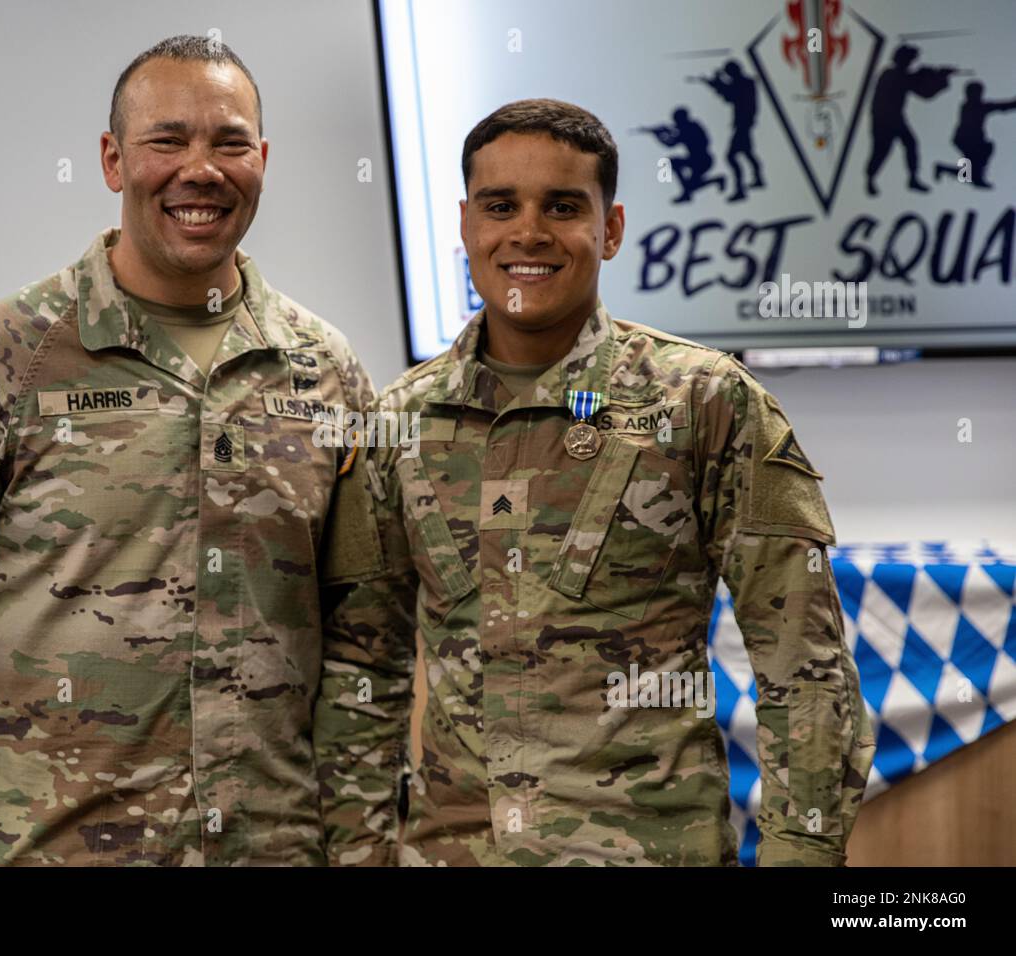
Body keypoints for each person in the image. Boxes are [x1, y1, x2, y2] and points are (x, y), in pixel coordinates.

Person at [0, 35, 373, 866]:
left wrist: (360, 849)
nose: (201, 169)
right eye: (167, 141)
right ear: (113, 161)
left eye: (229, 143)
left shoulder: (325, 375)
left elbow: (368, 642)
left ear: (263, 161)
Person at [315, 98, 874, 867]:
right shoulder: (397, 424)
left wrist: (800, 856)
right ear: (465, 226)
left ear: (609, 230)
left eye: (563, 206)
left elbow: (805, 672)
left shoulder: (706, 403)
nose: (529, 233)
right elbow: (360, 672)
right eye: (501, 206)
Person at [866, 43, 955, 195]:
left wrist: (939, 78)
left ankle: (912, 179)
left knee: (910, 144)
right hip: (884, 118)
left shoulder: (898, 74)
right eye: (910, 60)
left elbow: (923, 91)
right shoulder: (891, 74)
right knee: (882, 150)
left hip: (894, 118)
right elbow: (922, 91)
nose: (912, 63)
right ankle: (870, 179)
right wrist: (939, 78)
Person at [699, 60, 765, 202]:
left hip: (743, 124)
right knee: (747, 153)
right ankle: (758, 179)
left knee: (731, 157)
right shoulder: (746, 82)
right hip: (744, 124)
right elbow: (729, 93)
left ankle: (740, 190)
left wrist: (716, 83)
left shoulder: (744, 83)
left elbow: (730, 95)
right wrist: (715, 83)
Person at [933, 81, 1016, 188]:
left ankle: (944, 169)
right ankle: (974, 177)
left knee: (969, 173)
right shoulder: (974, 106)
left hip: (968, 141)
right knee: (983, 153)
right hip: (969, 141)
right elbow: (1003, 106)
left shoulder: (973, 106)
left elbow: (1004, 107)